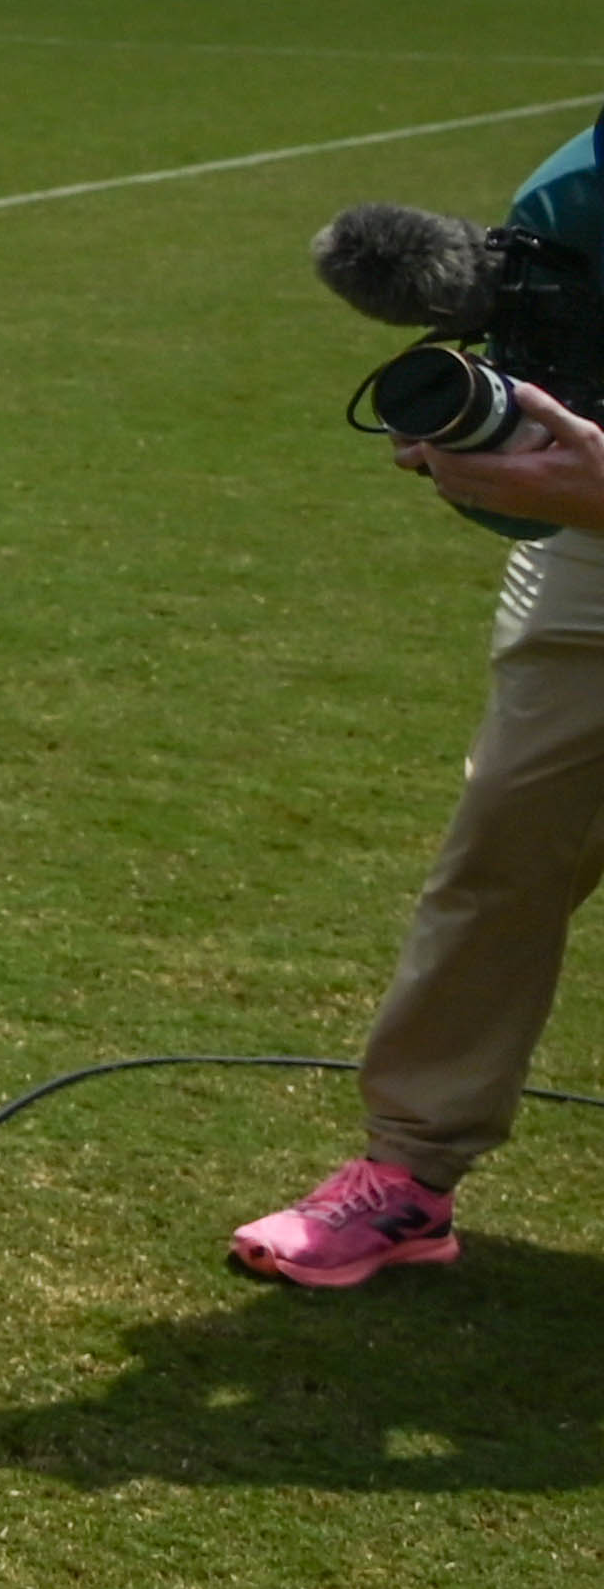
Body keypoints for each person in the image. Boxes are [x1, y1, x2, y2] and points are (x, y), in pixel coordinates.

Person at [237, 118, 604, 1284]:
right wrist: (488, 463)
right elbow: (534, 465)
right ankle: (407, 1174)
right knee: (502, 854)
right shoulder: (577, 192)